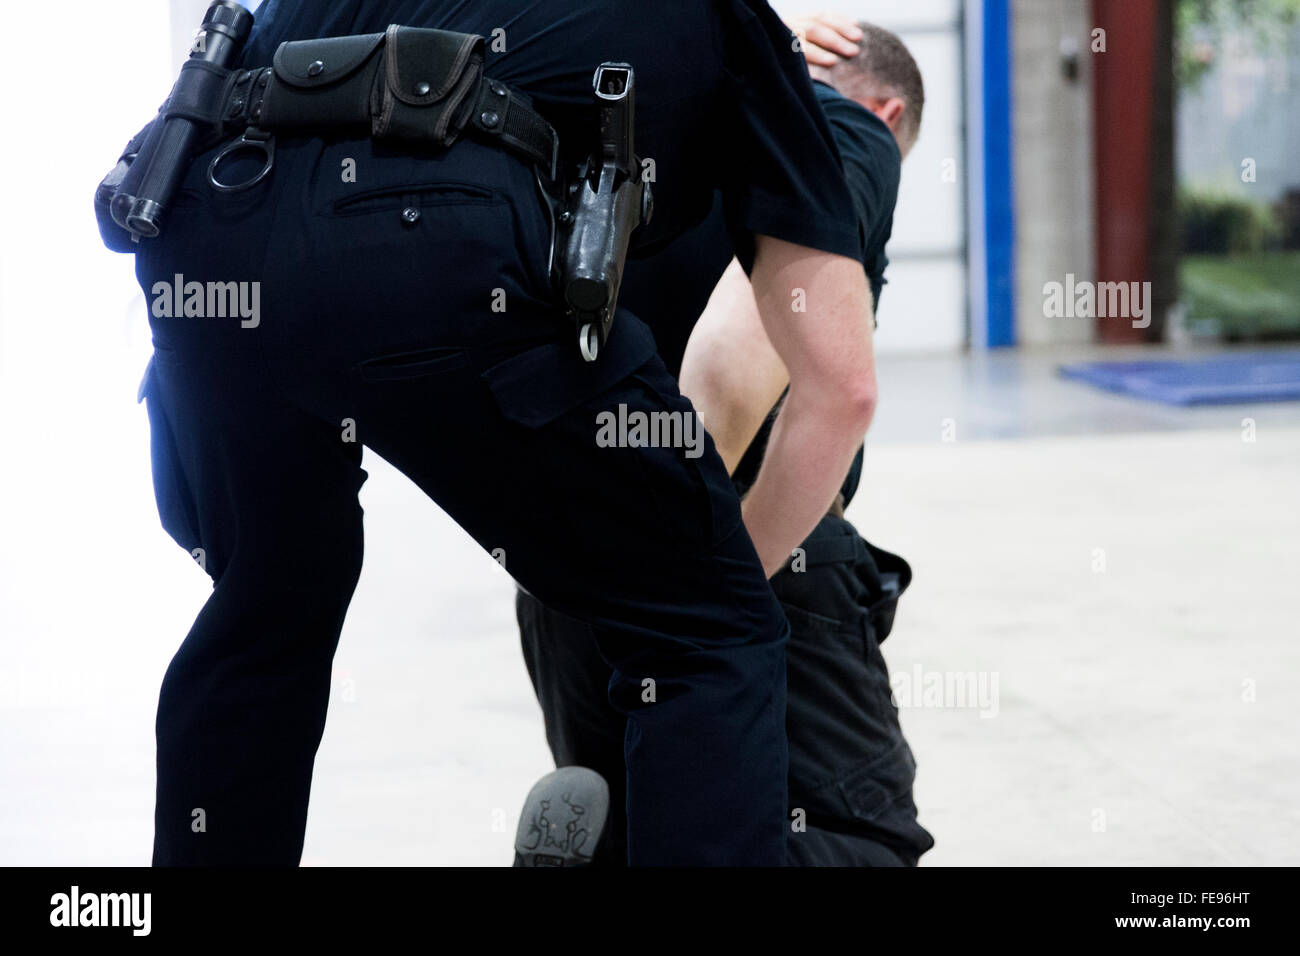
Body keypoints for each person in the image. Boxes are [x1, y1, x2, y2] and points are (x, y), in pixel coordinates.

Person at [125, 0, 879, 866]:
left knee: (264, 612)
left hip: (198, 226)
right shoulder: (733, 28)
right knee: (708, 637)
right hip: (441, 234)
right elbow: (842, 385)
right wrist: (719, 584)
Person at [516, 15, 935, 866]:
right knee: (862, 842)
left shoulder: (675, 121)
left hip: (566, 560)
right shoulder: (843, 128)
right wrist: (704, 577)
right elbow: (749, 334)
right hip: (740, 536)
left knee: (645, 816)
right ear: (891, 114)